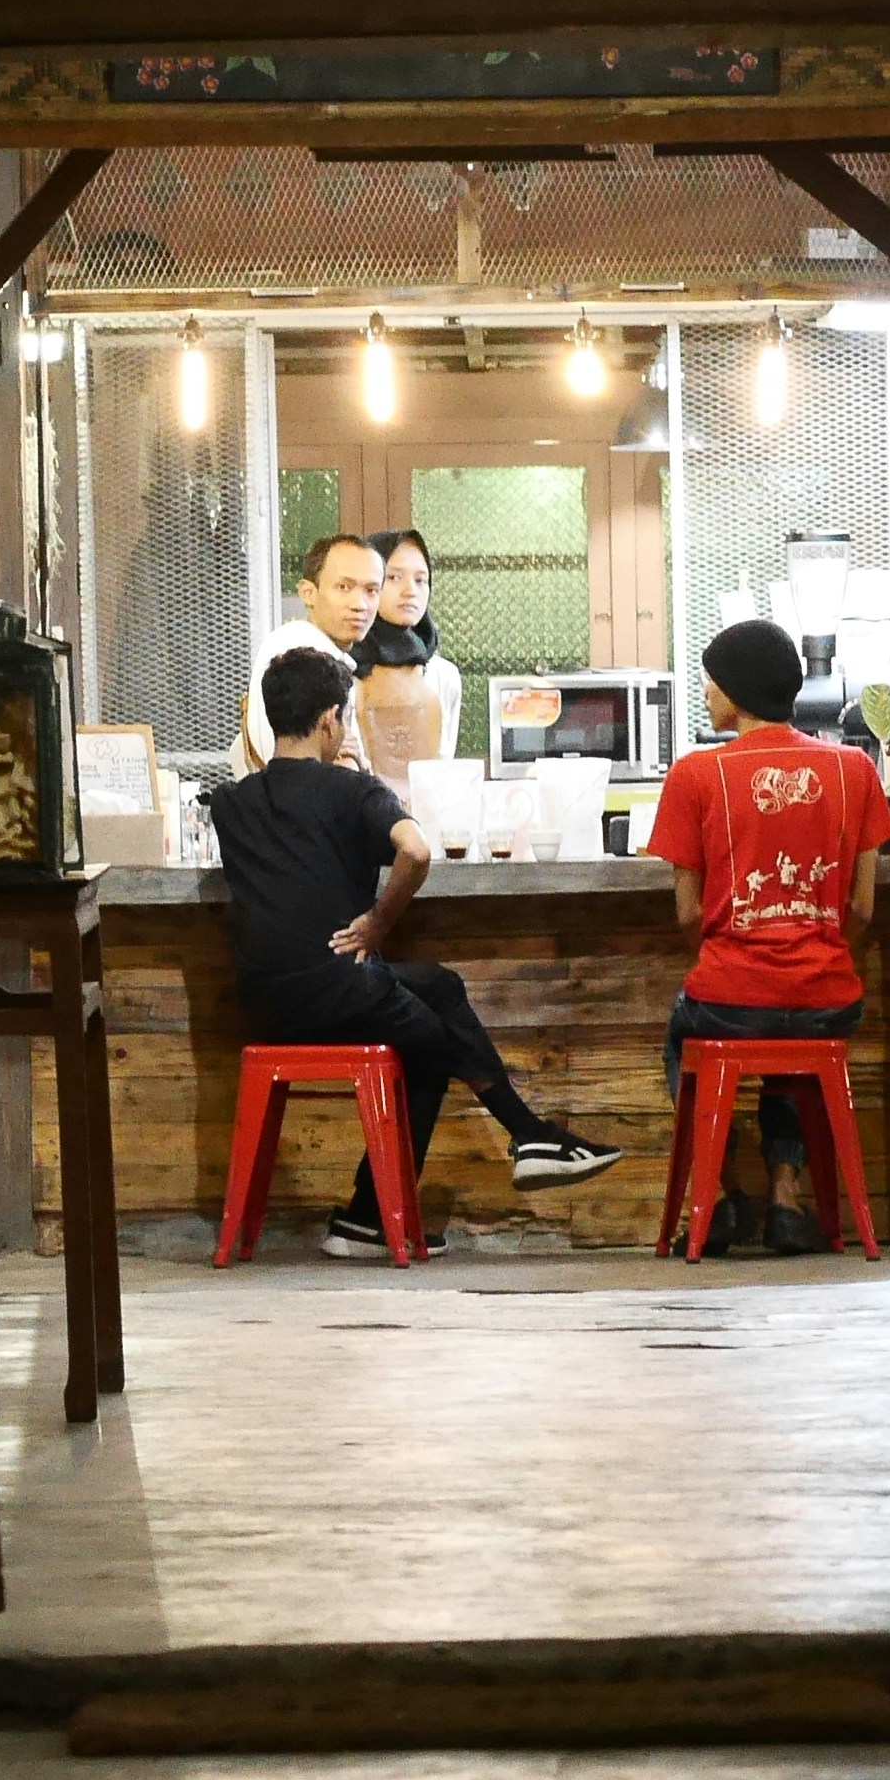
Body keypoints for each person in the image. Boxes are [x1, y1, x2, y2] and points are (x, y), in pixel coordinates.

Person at [211, 645, 623, 1256]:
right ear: (331, 719)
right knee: (432, 1045)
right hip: (341, 990)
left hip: (266, 1003)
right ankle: (379, 1213)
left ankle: (527, 1139)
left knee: (439, 985)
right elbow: (418, 850)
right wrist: (378, 921)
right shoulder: (352, 792)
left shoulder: (230, 803)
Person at [646, 618, 890, 1255]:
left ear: (734, 691)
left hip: (728, 993)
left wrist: (738, 957)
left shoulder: (695, 775)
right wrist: (823, 959)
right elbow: (863, 908)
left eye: (710, 683)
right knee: (795, 1039)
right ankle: (786, 1199)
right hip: (829, 995)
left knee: (687, 1036)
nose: (705, 693)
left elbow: (686, 916)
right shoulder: (854, 770)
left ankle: (724, 1195)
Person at [234, 532, 385, 777]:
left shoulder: (304, 647)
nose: (360, 604)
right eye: (344, 587)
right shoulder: (305, 656)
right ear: (308, 592)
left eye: (371, 590)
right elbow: (339, 773)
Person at [351, 526, 465, 762]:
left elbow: (443, 767)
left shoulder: (444, 675)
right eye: (393, 577)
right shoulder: (343, 667)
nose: (410, 591)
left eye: (421, 580)